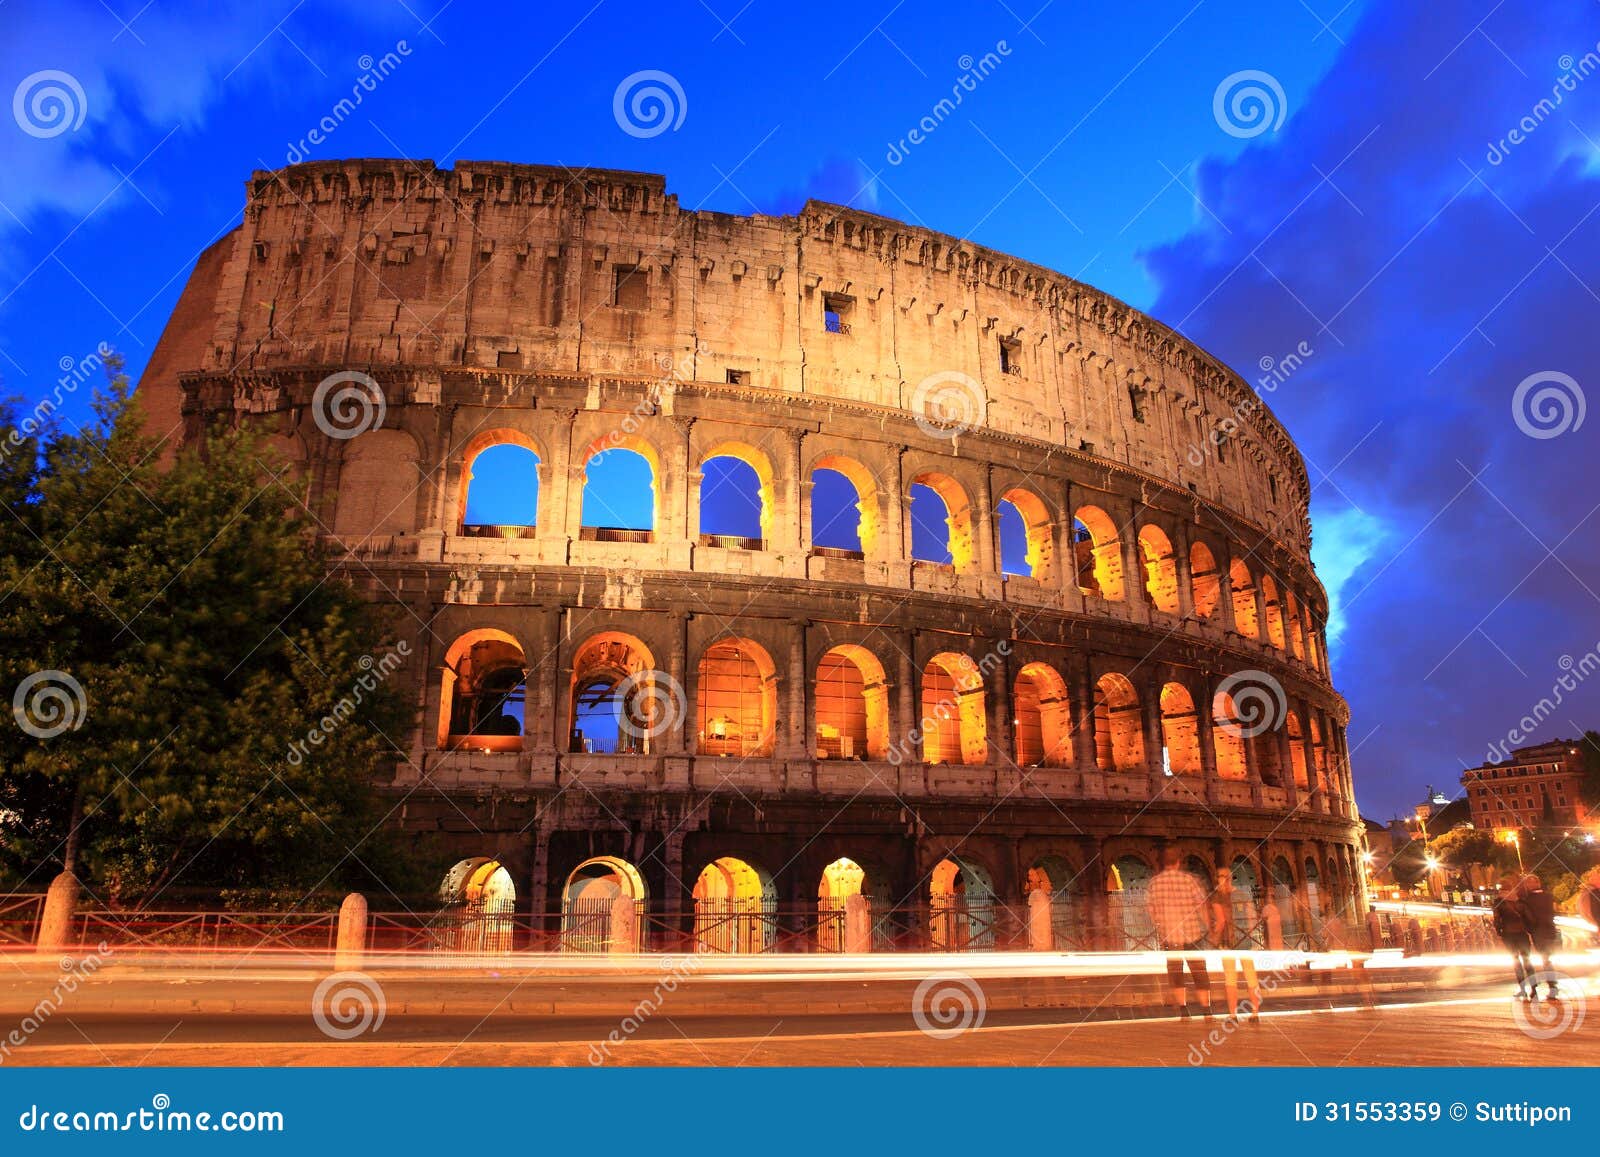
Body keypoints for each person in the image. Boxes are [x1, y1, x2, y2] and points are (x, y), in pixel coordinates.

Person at [1146, 846, 1213, 1017]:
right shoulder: (1189, 880)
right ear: (1178, 862)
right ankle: (1206, 1008)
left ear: (1163, 863)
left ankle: (1183, 1009)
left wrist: (1160, 927)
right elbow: (1201, 906)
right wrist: (1207, 927)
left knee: (1175, 973)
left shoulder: (1154, 883)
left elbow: (1151, 911)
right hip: (1193, 933)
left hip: (1170, 935)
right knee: (1199, 972)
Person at [1518, 873, 1560, 999]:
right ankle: (1553, 986)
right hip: (1550, 931)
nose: (1529, 885)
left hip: (1539, 932)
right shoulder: (1548, 896)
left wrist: (1530, 929)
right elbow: (1553, 912)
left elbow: (1527, 917)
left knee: (1545, 960)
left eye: (1530, 883)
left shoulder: (1527, 900)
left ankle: (1552, 986)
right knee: (1547, 959)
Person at [1491, 874, 1533, 1000]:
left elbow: (1497, 919)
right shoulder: (1519, 901)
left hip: (1509, 935)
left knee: (1516, 962)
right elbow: (1528, 917)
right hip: (1522, 934)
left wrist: (1499, 932)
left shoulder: (1498, 902)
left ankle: (1523, 990)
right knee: (1527, 961)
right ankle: (1534, 988)